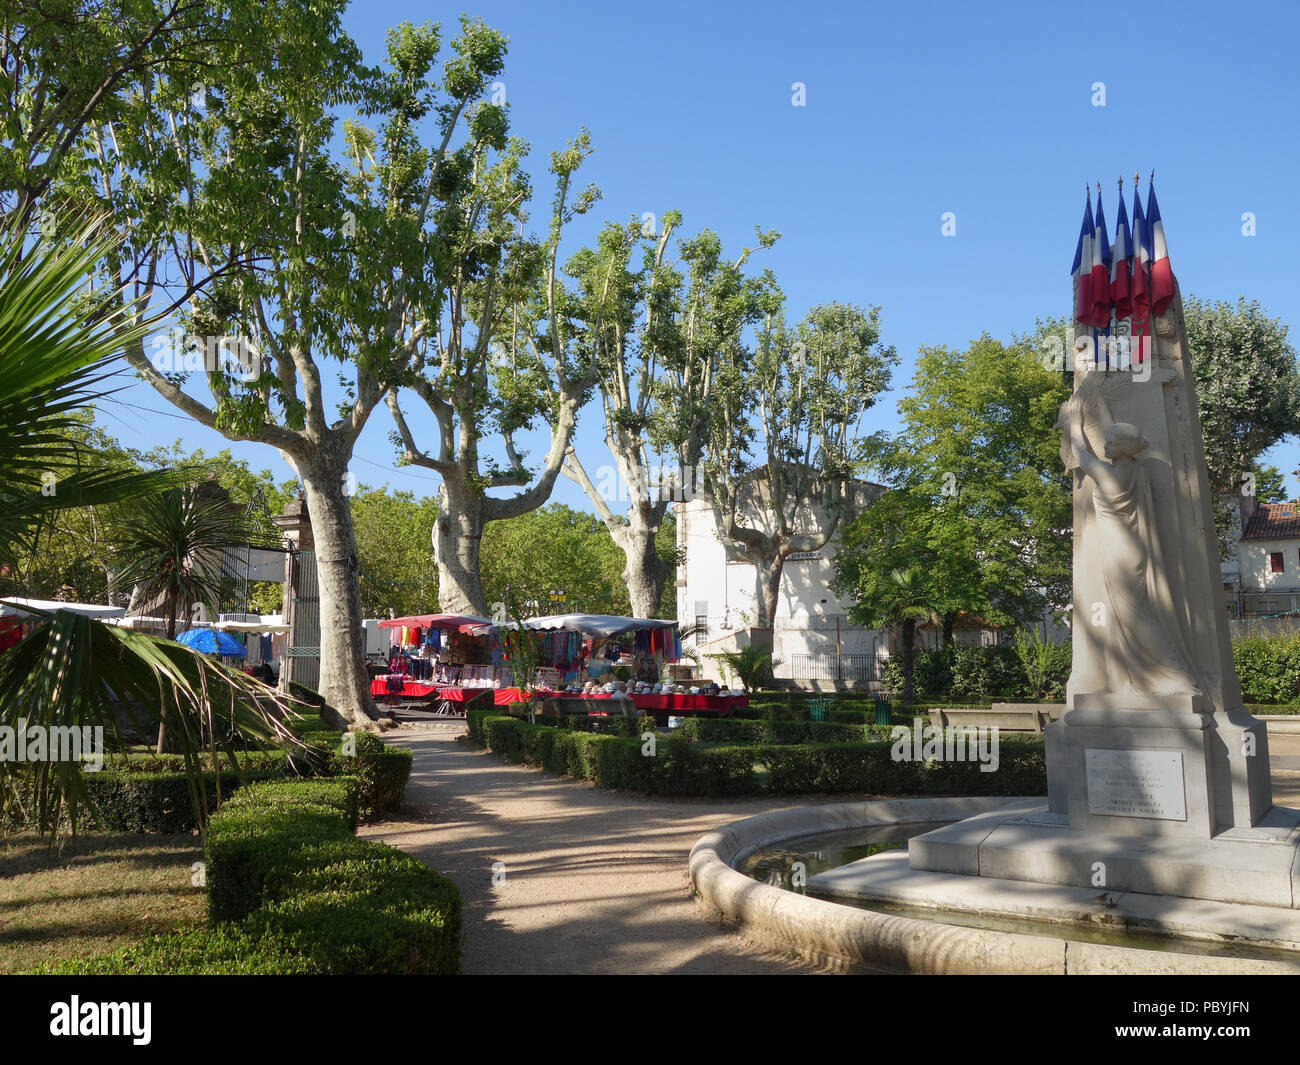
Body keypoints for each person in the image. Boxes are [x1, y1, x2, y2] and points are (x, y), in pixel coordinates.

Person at [1060, 380, 1203, 697]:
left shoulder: (1110, 477)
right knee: (1130, 617)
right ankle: (1135, 679)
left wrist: (1074, 420)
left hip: (1120, 558)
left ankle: (1174, 677)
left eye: (1110, 444)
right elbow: (1113, 432)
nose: (1105, 446)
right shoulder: (1134, 467)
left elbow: (1083, 453)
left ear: (1121, 447)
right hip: (1131, 552)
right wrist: (1101, 403)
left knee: (1133, 619)